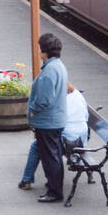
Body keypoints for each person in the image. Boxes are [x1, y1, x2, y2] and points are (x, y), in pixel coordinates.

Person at [18, 83, 87, 190]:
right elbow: (86, 117)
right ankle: (45, 180)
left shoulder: (57, 99)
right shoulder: (78, 94)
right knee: (45, 143)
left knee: (37, 146)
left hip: (66, 141)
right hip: (81, 140)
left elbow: (51, 122)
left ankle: (27, 180)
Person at [27, 33, 69, 203]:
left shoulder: (49, 71)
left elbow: (44, 99)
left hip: (48, 121)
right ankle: (54, 185)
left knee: (50, 157)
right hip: (57, 119)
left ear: (43, 51)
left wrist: (32, 109)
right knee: (55, 155)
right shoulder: (59, 66)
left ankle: (54, 191)